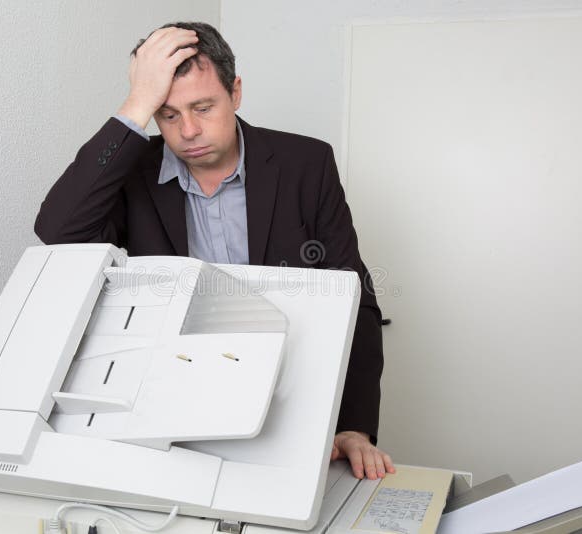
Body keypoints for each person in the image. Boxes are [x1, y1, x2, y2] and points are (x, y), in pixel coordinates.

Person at [35, 21, 394, 480]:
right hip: (171, 408)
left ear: (235, 92)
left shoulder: (307, 164)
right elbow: (60, 230)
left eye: (203, 107)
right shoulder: (133, 171)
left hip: (291, 400)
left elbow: (354, 299)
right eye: (166, 114)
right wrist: (135, 105)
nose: (187, 130)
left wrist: (354, 427)